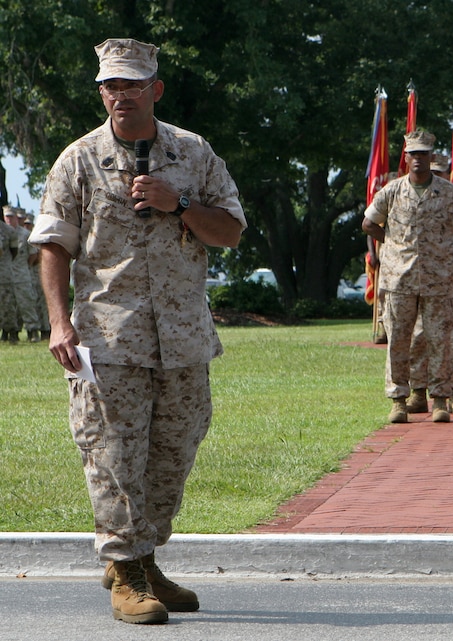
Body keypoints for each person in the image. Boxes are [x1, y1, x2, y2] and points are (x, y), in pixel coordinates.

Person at [28, 38, 246, 624]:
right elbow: (52, 245)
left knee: (174, 453)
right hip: (108, 337)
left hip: (182, 337)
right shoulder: (78, 160)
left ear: (156, 88)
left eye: (131, 83)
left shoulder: (194, 154)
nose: (120, 94)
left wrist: (178, 205)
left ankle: (145, 560)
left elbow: (228, 232)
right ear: (101, 91)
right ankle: (125, 572)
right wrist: (57, 323)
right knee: (112, 456)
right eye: (110, 85)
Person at [363, 129, 453, 424]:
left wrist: (448, 243)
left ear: (431, 157)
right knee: (399, 340)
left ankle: (440, 399)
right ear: (405, 157)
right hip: (399, 278)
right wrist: (391, 242)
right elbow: (368, 223)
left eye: (423, 154)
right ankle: (399, 400)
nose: (418, 159)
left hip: (438, 279)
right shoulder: (391, 191)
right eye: (413, 154)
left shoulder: (450, 192)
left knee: (439, 339)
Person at [2, 206, 41, 342]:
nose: (9, 219)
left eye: (12, 217)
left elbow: (34, 255)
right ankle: (10, 332)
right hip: (5, 275)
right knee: (8, 305)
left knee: (27, 304)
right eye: (7, 216)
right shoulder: (3, 232)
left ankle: (33, 331)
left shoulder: (25, 234)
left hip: (22, 274)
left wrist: (25, 267)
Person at [1, 206, 21, 342]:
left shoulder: (8, 231)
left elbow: (14, 251)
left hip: (4, 274)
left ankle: (11, 332)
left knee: (8, 304)